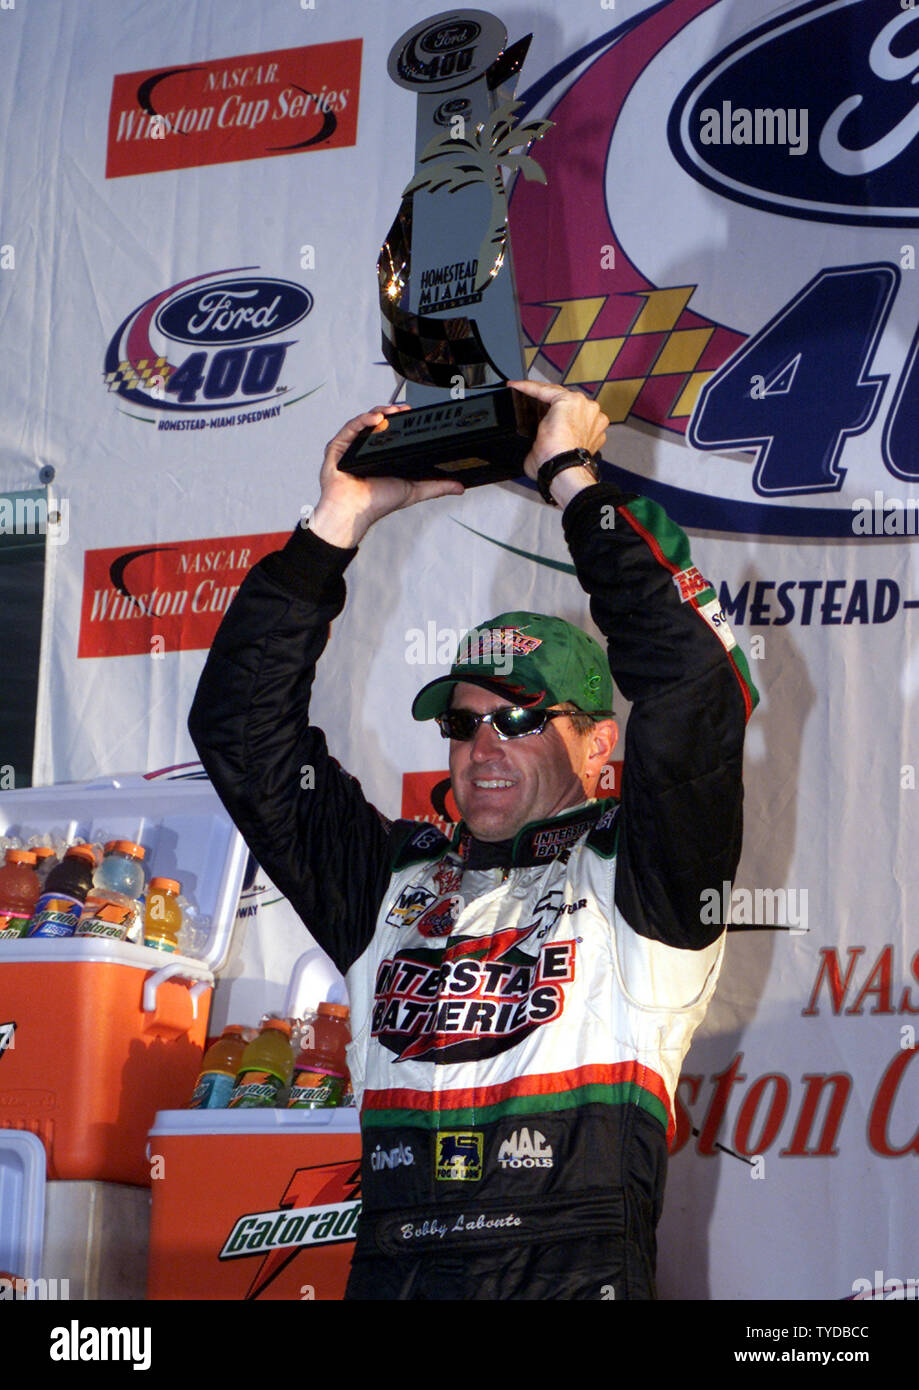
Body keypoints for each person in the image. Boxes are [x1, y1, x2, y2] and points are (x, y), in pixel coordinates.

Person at [188, 379, 758, 1300]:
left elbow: (693, 688)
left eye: (523, 717)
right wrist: (336, 521)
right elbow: (241, 738)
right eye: (462, 725)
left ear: (598, 744)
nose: (483, 746)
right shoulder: (389, 880)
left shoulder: (643, 872)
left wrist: (571, 478)